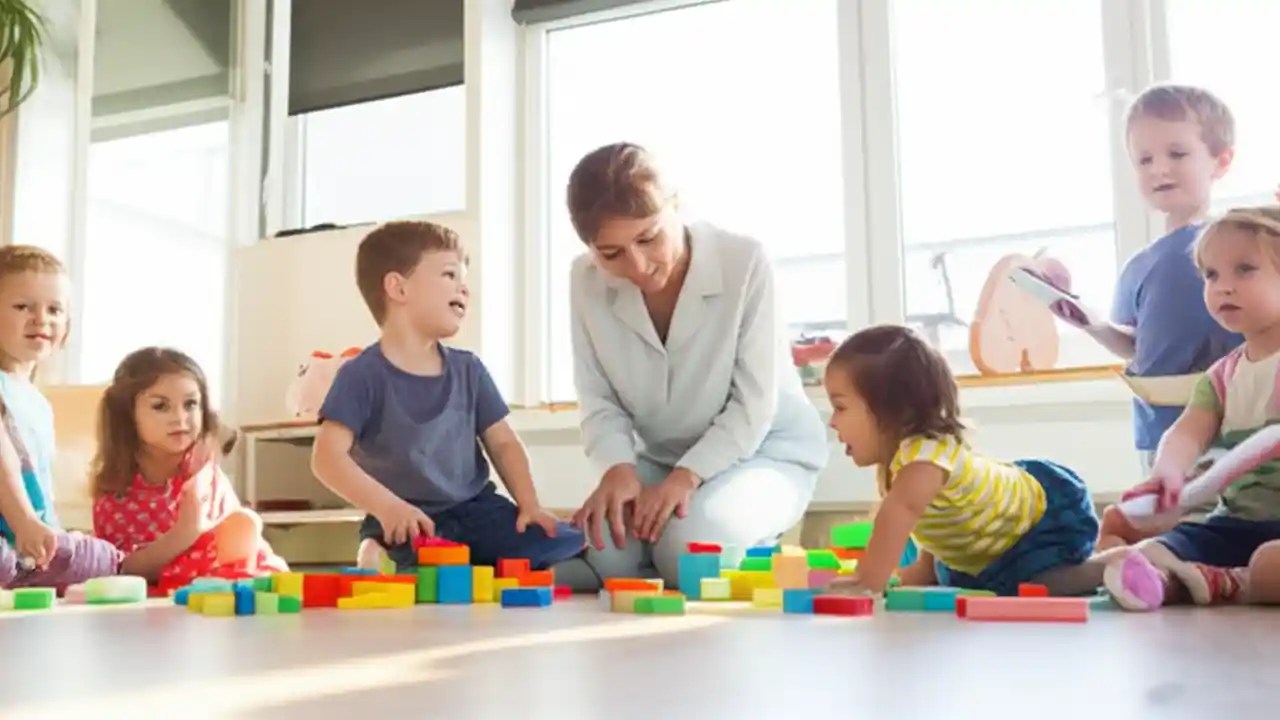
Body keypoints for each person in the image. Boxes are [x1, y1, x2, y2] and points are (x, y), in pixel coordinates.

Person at [564, 142, 828, 588]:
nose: (639, 265)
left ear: (676, 205)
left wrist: (688, 478)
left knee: (687, 554)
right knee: (607, 557)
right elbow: (598, 396)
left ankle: (737, 541)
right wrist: (619, 469)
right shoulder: (584, 281)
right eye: (611, 253)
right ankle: (678, 546)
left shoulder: (744, 261)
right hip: (662, 461)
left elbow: (753, 404)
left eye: (649, 238)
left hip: (766, 450)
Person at [310, 220, 586, 575]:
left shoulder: (468, 369)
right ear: (398, 288)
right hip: (406, 515)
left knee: (560, 542)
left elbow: (503, 443)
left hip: (475, 508)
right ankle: (378, 548)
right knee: (410, 552)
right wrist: (388, 507)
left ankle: (462, 566)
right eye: (449, 275)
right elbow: (327, 458)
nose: (464, 289)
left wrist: (529, 505)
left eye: (464, 279)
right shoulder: (360, 375)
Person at [1052, 84, 1242, 551]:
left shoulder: (1237, 246)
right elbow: (1137, 345)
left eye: (1177, 153)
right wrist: (1089, 323)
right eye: (1145, 159)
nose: (1160, 168)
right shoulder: (1140, 265)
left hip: (1228, 428)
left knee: (1224, 527)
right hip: (1158, 432)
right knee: (1166, 525)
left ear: (1220, 161)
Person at [824, 324, 1106, 597]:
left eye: (840, 407)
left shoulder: (927, 454)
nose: (833, 422)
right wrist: (918, 573)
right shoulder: (903, 462)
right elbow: (935, 521)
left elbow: (902, 510)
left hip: (1036, 522)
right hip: (984, 545)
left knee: (1041, 585)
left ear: (892, 409)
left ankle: (1118, 563)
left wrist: (868, 580)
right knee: (965, 580)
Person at [1104, 206, 1280, 611]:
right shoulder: (1221, 377)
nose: (1223, 287)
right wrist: (1168, 472)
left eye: (1244, 270)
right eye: (1211, 275)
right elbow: (1186, 432)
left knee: (1271, 564)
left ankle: (1233, 583)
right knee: (1148, 551)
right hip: (1232, 525)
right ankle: (1176, 581)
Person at [92, 348, 286, 590]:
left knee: (244, 522)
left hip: (230, 575)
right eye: (160, 406)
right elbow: (124, 568)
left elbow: (221, 435)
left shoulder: (201, 466)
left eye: (191, 404)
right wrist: (185, 532)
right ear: (126, 415)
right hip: (166, 588)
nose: (180, 418)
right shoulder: (114, 493)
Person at [0, 245, 122, 589]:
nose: (42, 319)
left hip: (27, 542)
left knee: (100, 555)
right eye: (23, 306)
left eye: (55, 309)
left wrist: (46, 532)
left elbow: (39, 483)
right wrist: (24, 521)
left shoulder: (38, 403)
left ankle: (37, 566)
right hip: (9, 536)